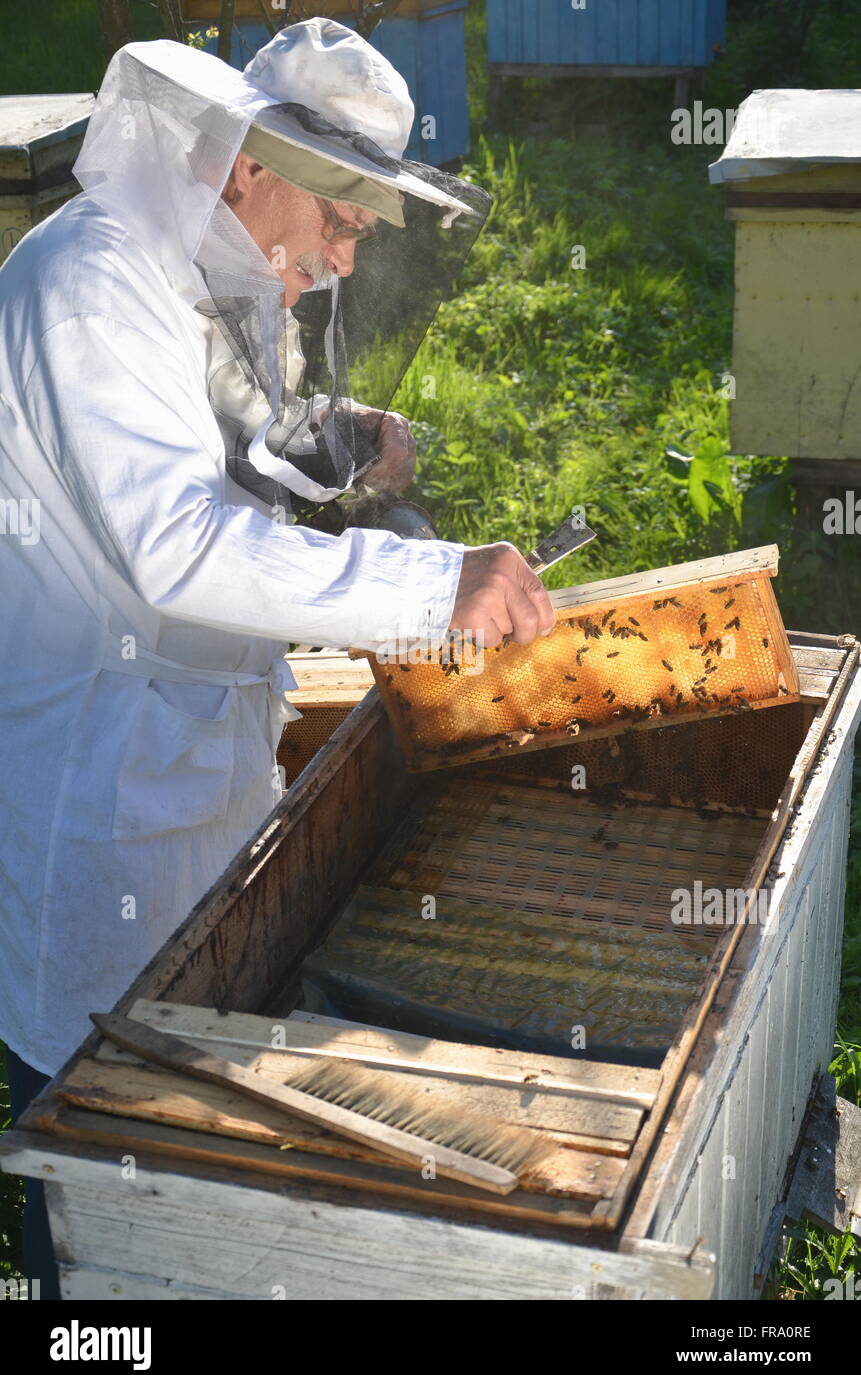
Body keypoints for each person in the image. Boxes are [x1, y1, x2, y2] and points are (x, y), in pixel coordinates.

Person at [0, 19, 554, 1296]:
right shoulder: (94, 283)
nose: (344, 255)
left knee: (189, 1167)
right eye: (342, 220)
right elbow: (183, 546)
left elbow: (242, 445)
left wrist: (343, 438)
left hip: (198, 775)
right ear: (250, 160)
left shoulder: (215, 266)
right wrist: (434, 583)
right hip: (96, 805)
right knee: (92, 1185)